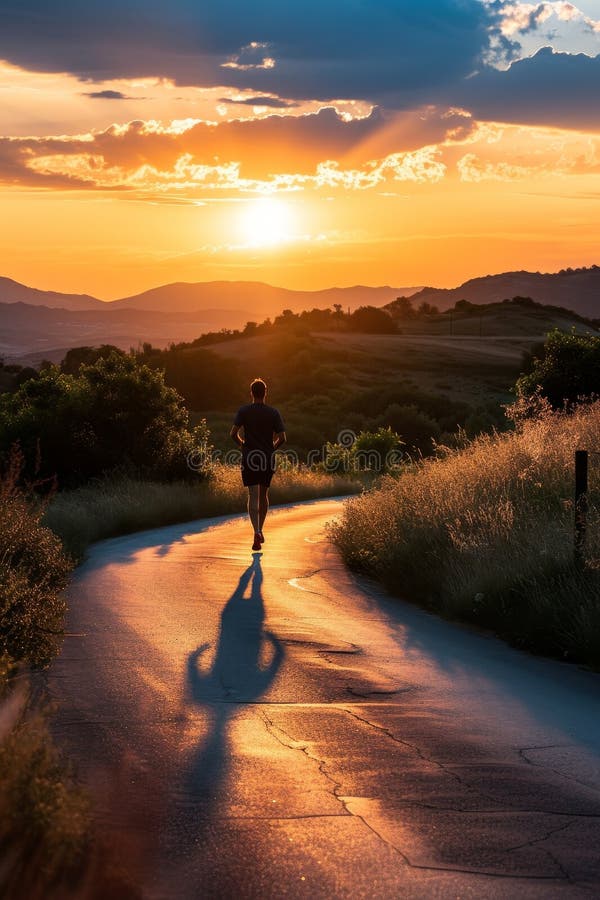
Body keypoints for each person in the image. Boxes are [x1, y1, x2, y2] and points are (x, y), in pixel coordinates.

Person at [230, 379, 286, 551]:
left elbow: (233, 434)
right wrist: (271, 449)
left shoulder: (244, 411)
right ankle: (261, 529)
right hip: (266, 458)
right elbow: (283, 438)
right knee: (263, 495)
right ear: (265, 392)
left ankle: (256, 531)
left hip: (249, 458)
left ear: (251, 393)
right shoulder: (274, 413)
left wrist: (243, 446)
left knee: (253, 495)